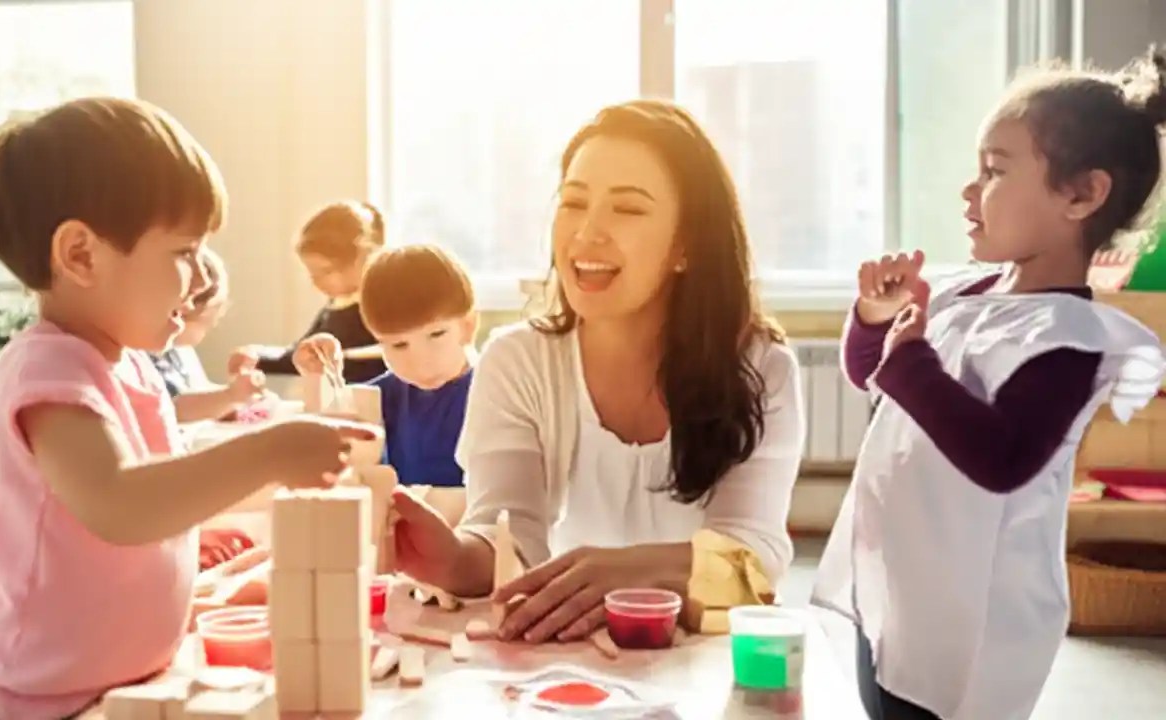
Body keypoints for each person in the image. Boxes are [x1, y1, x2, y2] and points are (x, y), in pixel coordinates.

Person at [0, 97, 376, 720]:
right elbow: (119, 503)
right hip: (23, 700)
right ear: (80, 255)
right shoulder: (49, 369)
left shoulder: (123, 362)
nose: (203, 277)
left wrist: (196, 536)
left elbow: (135, 501)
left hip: (103, 689)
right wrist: (268, 453)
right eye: (184, 251)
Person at [812, 47, 1166, 720]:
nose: (968, 191)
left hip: (973, 614)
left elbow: (1000, 459)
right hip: (901, 582)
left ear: (1082, 194)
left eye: (995, 171)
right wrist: (875, 320)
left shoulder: (1068, 338)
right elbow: (873, 379)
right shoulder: (967, 291)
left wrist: (912, 359)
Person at [387, 99, 805, 644]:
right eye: (573, 203)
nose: (587, 234)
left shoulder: (759, 366)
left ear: (687, 245)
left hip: (704, 660)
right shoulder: (517, 361)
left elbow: (753, 563)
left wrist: (626, 569)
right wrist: (451, 559)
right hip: (569, 658)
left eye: (627, 210)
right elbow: (508, 533)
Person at [295, 245, 475, 524]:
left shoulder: (492, 393)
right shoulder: (380, 395)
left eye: (436, 335)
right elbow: (329, 447)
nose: (421, 360)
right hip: (398, 546)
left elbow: (504, 497)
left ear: (468, 326)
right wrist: (320, 376)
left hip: (473, 544)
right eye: (399, 345)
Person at [229, 200, 388, 383]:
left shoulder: (381, 306)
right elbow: (300, 355)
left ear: (361, 258)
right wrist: (257, 357)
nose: (316, 281)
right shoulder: (334, 308)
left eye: (325, 271)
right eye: (312, 273)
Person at [150, 247, 268, 423]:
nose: (213, 325)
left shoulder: (183, 351)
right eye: (207, 321)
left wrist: (237, 391)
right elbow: (172, 408)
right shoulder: (145, 353)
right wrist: (230, 395)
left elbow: (199, 392)